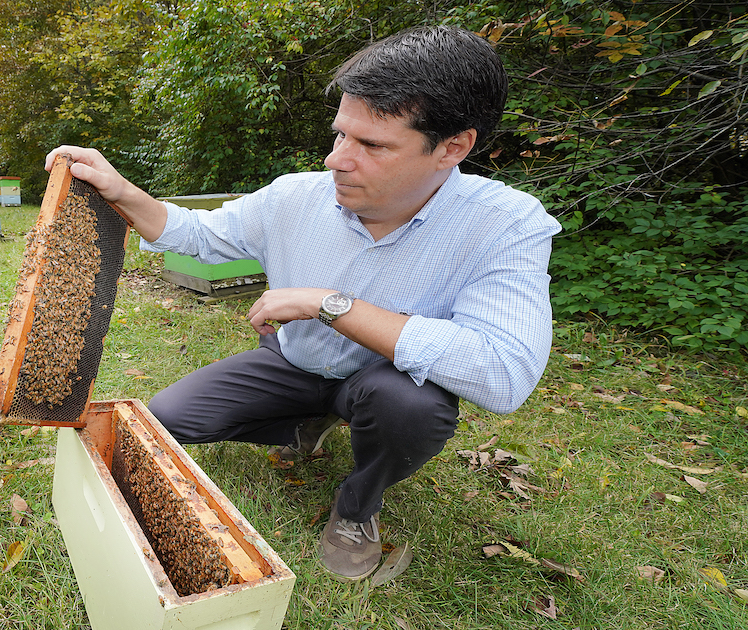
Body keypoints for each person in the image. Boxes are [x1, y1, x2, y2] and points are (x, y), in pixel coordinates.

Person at [44, 25, 561, 581]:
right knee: (167, 419)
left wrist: (329, 304)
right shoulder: (296, 195)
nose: (338, 159)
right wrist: (123, 192)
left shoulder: (504, 223)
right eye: (341, 135)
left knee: (410, 408)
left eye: (372, 145)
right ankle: (306, 424)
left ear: (453, 147)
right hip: (294, 361)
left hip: (385, 381)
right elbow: (200, 235)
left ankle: (357, 506)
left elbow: (505, 372)